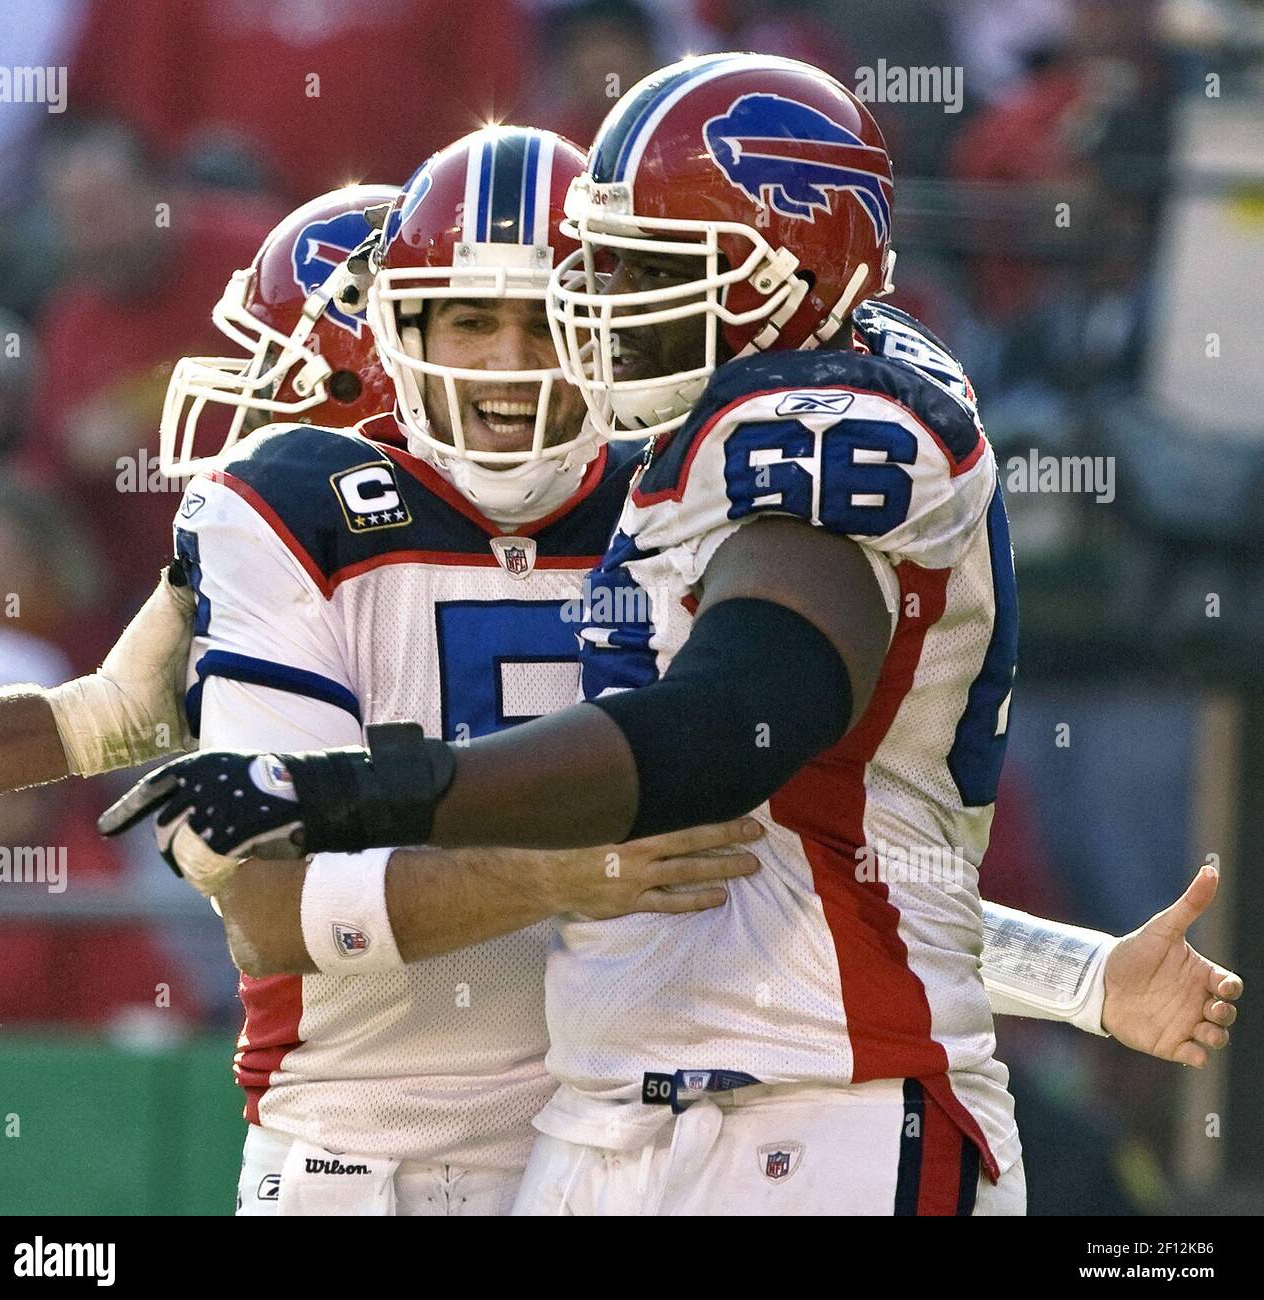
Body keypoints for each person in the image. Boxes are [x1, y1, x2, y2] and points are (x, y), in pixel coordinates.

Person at [105, 61, 1243, 1215]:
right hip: (606, 1116)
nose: (591, 304)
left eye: (644, 266)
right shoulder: (656, 461)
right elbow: (758, 858)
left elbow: (724, 735)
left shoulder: (819, 426)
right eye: (593, 261)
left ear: (785, 273)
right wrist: (1081, 974)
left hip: (809, 1103)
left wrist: (364, 790)